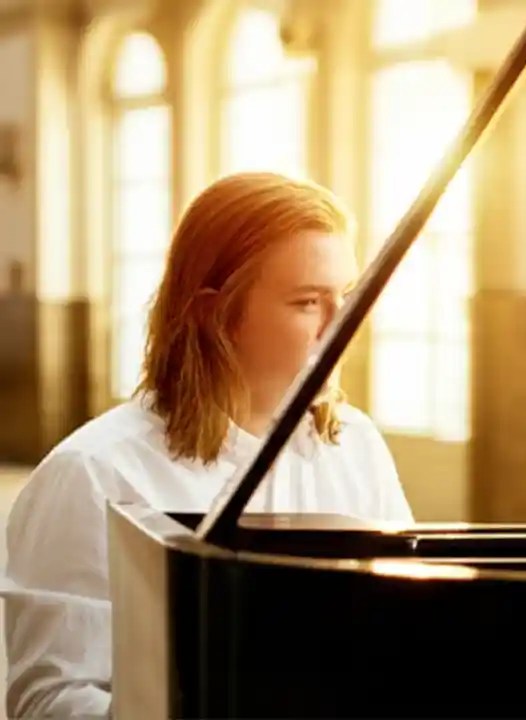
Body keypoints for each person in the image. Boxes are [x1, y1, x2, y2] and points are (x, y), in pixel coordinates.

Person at [3, 172, 414, 718]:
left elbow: (400, 635)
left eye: (349, 297)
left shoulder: (356, 445)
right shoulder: (90, 473)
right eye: (307, 302)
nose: (341, 326)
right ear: (213, 314)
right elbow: (47, 700)